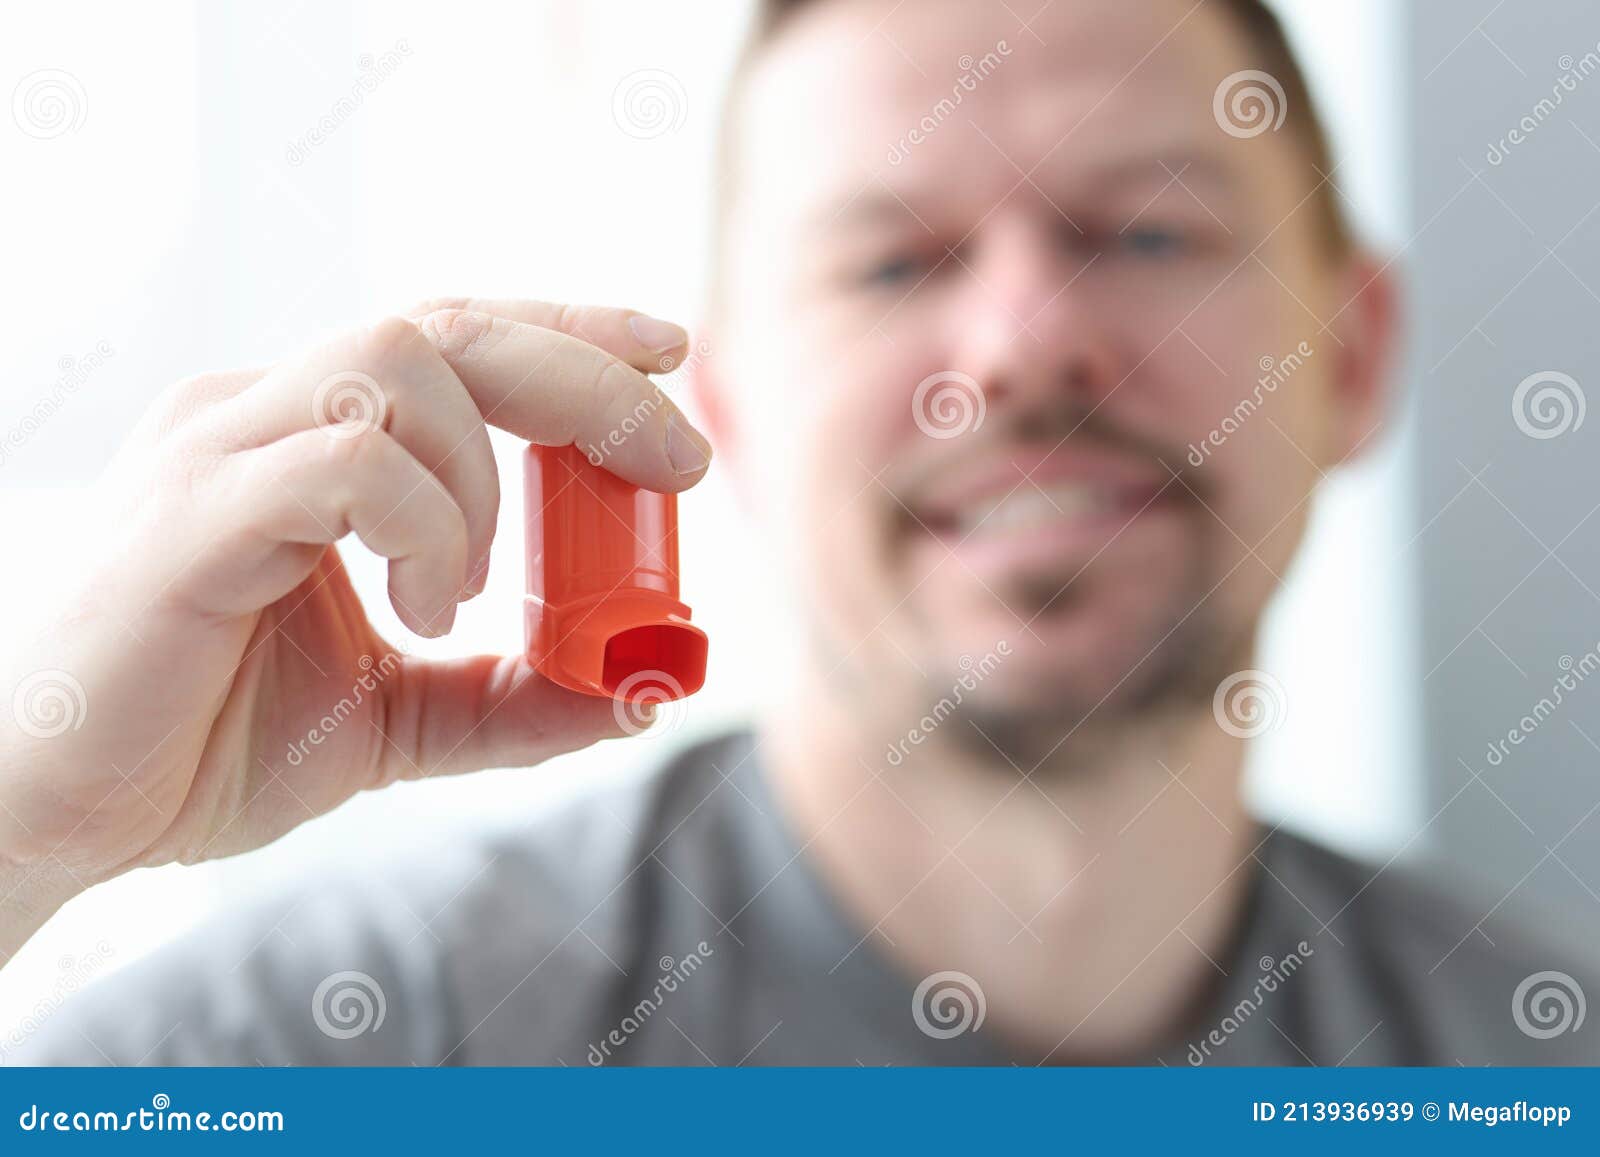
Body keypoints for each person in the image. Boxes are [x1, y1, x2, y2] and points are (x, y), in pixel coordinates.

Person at [2, 0, 1594, 1066]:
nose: (1025, 344)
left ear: (1359, 352)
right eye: (895, 263)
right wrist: (36, 826)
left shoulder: (1538, 1060)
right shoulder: (341, 1047)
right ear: (739, 416)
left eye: (1146, 230)